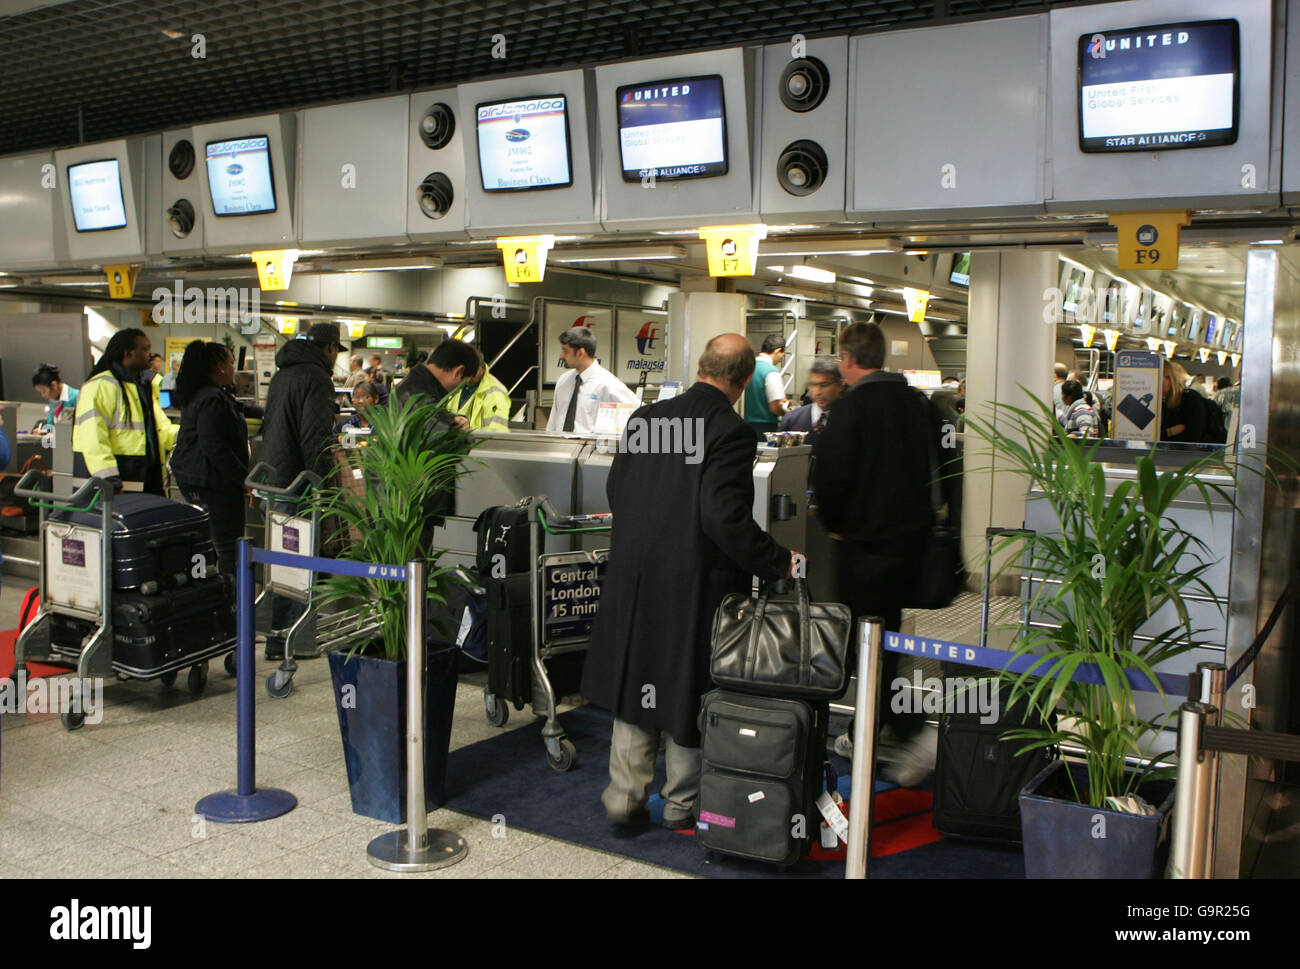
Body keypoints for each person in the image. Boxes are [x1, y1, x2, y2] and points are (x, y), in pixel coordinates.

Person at [582, 333, 796, 829]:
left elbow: (619, 489)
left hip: (636, 575)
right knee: (690, 682)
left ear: (701, 365)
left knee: (639, 674)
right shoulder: (731, 430)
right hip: (696, 581)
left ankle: (623, 796)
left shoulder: (647, 418)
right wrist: (777, 560)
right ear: (743, 381)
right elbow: (723, 517)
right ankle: (681, 804)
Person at [812, 321, 952, 785]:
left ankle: (888, 730)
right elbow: (949, 465)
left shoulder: (850, 410)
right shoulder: (919, 405)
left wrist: (835, 527)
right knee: (889, 639)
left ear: (848, 360)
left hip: (864, 551)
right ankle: (877, 726)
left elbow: (829, 479)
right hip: (911, 548)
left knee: (868, 643)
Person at [260, 322, 342, 659]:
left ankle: (279, 635)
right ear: (330, 349)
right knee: (301, 561)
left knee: (283, 560)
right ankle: (293, 639)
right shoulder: (317, 378)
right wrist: (322, 482)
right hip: (299, 483)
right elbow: (314, 437)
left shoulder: (283, 374)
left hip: (274, 479)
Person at [169, 340, 256, 576]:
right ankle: (232, 601)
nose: (233, 369)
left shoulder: (205, 394)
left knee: (213, 543)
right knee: (228, 546)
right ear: (218, 367)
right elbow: (213, 444)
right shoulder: (212, 398)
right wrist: (242, 478)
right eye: (230, 363)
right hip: (212, 482)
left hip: (199, 479)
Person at [72, 328, 177, 495]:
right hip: (112, 488)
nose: (150, 354)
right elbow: (93, 437)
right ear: (128, 354)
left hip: (145, 483)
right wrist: (108, 479)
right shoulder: (100, 386)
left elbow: (160, 430)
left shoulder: (143, 388)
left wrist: (190, 431)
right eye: (145, 349)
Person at [546, 326, 639, 434]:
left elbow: (638, 411)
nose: (561, 356)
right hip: (560, 447)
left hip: (590, 448)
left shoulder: (607, 383)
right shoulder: (563, 381)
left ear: (580, 353)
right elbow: (553, 421)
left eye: (566, 351)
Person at [427, 339, 511, 433]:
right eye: (466, 372)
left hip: (479, 445)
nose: (469, 376)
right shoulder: (458, 384)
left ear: (483, 367)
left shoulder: (496, 393)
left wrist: (469, 430)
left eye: (473, 372)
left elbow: (498, 432)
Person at [779, 356, 846, 445]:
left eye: (824, 384)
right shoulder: (792, 420)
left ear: (840, 385)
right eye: (813, 384)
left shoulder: (851, 420)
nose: (817, 392)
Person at [743, 333, 790, 434]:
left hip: (747, 425)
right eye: (782, 355)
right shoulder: (771, 372)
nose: (781, 359)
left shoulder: (749, 368)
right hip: (766, 428)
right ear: (777, 351)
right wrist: (788, 413)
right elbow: (775, 408)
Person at [1160, 360, 1208, 444]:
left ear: (1170, 378)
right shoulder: (1158, 402)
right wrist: (1169, 432)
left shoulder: (1190, 398)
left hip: (1185, 455)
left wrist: (1166, 433)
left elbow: (1193, 438)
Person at [31, 364, 79, 432]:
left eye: (44, 391)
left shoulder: (77, 397)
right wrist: (42, 431)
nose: (43, 395)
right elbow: (51, 425)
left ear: (54, 385)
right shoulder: (53, 399)